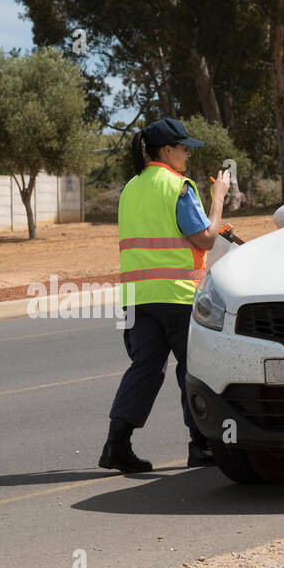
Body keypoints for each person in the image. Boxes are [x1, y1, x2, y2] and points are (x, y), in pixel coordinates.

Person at [100, 118, 227, 472]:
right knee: (193, 368)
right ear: (167, 151)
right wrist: (218, 202)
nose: (188, 153)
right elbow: (205, 239)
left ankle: (116, 445)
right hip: (178, 295)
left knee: (144, 368)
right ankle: (201, 445)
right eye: (184, 147)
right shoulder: (178, 186)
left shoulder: (131, 188)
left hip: (136, 297)